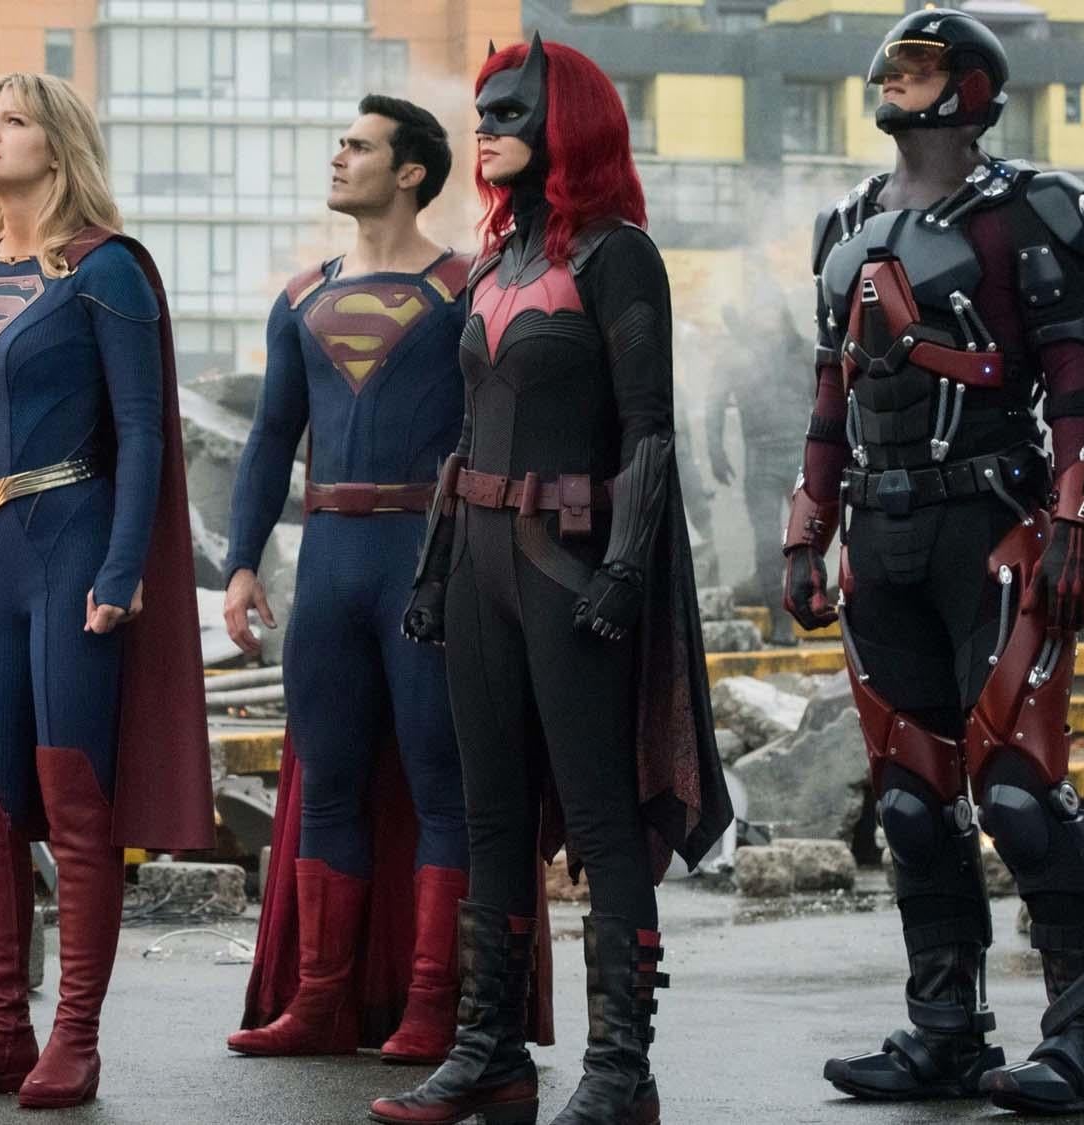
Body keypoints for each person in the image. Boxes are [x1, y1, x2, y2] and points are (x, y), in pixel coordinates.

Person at [372, 35, 732, 1125]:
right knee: (490, 815)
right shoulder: (492, 264)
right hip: (480, 563)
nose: (484, 129)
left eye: (509, 112)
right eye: (481, 110)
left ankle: (620, 1069)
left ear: (566, 123)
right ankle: (490, 1052)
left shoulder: (618, 256)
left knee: (601, 817)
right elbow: (466, 434)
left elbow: (649, 430)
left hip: (569, 565)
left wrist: (622, 570)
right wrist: (434, 568)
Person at [784, 10, 1084, 1114]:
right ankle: (944, 1031)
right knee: (907, 800)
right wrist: (805, 531)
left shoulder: (1032, 208)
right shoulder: (845, 221)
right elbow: (831, 390)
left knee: (1020, 792)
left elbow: (1082, 385)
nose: (894, 78)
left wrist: (1074, 529)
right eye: (891, 63)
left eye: (920, 63)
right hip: (879, 535)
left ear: (971, 87)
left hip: (993, 530)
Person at [0, 72, 212, 1110]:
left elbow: (144, 431)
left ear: (60, 142)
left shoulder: (106, 270)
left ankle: (75, 1039)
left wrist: (122, 568)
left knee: (76, 804)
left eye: (13, 120)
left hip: (71, 551)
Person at [222, 95, 478, 1064]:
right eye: (339, 142)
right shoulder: (300, 297)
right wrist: (240, 563)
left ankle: (433, 1004)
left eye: (359, 146)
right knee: (327, 778)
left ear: (410, 171)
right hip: (327, 557)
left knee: (440, 781)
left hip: (427, 557)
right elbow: (268, 439)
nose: (338, 156)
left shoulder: (465, 289)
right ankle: (320, 1000)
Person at [704, 265, 812, 646]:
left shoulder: (804, 352)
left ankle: (804, 605)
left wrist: (832, 455)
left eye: (771, 308)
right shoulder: (738, 355)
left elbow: (828, 401)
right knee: (767, 543)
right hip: (760, 457)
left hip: (801, 455)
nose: (766, 316)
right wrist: (715, 450)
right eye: (760, 309)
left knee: (806, 541)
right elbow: (714, 402)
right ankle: (781, 623)